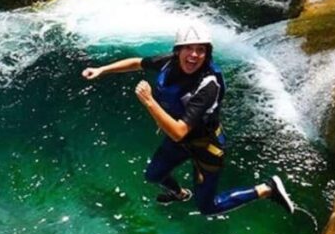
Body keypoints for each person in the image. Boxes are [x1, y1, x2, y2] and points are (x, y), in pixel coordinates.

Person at [81, 22, 294, 215]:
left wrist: (149, 101)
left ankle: (267, 188)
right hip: (180, 143)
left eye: (201, 50)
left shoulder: (208, 85)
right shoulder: (168, 63)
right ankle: (179, 194)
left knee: (207, 207)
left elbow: (179, 131)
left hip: (206, 146)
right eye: (189, 48)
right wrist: (102, 70)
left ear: (207, 54)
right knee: (154, 176)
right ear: (178, 51)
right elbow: (137, 62)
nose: (194, 55)